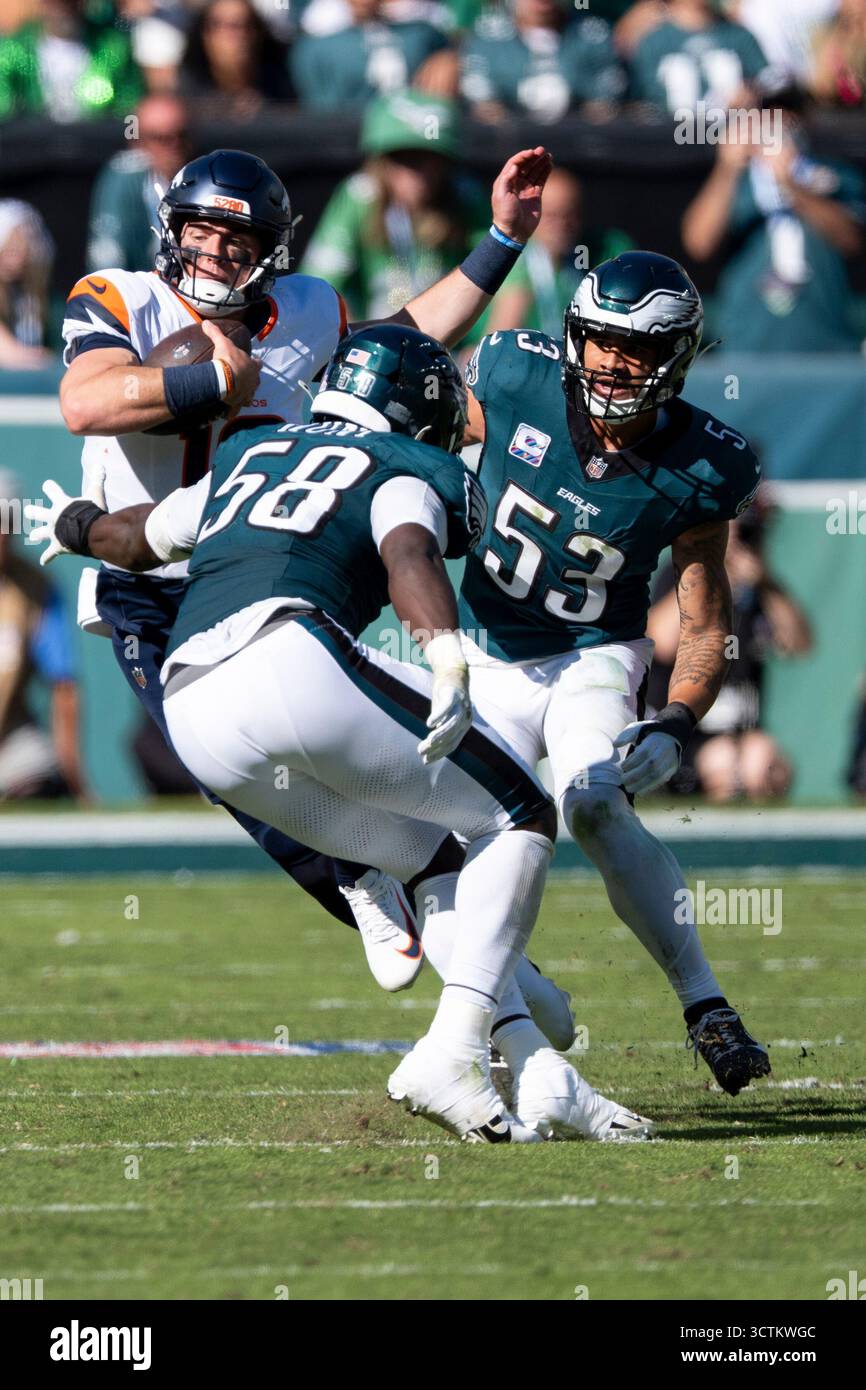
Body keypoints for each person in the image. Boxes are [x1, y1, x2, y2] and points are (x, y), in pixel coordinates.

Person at [29, 323, 654, 1145]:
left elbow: (134, 540)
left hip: (195, 712)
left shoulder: (249, 454)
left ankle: (535, 1067)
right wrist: (446, 657)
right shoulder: (402, 462)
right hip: (288, 656)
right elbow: (408, 555)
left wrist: (70, 524)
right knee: (523, 815)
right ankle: (454, 1051)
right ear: (414, 407)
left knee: (431, 861)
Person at [58, 142, 553, 990]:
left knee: (319, 752)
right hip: (146, 569)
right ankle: (360, 875)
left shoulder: (308, 310)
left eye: (239, 242)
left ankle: (445, 909)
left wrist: (501, 240)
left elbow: (408, 338)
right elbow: (85, 402)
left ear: (271, 254)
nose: (216, 254)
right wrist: (207, 384)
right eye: (202, 234)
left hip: (257, 570)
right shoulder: (119, 296)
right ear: (171, 230)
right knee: (222, 762)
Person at [457, 250, 772, 1096]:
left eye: (633, 348)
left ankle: (706, 1006)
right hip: (480, 653)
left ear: (675, 356)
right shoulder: (512, 377)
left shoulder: (704, 463)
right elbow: (414, 430)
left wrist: (676, 720)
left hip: (591, 655)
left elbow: (705, 622)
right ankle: (522, 1013)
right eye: (597, 339)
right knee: (459, 847)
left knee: (591, 800)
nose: (609, 360)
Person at [646, 493, 812, 800]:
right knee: (725, 764)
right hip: (681, 733)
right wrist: (712, 567)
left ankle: (758, 846)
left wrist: (765, 582)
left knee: (765, 763)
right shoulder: (683, 572)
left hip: (741, 730)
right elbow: (662, 641)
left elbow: (799, 645)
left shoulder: (760, 587)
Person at [681, 78, 865, 352]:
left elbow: (853, 240)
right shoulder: (734, 185)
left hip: (827, 347)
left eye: (787, 113)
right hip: (747, 346)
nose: (778, 124)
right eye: (767, 113)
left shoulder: (834, 177)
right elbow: (698, 243)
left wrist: (792, 185)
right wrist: (727, 169)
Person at [300, 93, 489, 331]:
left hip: (450, 348)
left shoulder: (466, 196)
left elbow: (512, 281)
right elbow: (319, 284)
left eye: (432, 159)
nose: (419, 174)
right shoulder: (358, 195)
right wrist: (354, 342)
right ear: (381, 162)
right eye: (404, 159)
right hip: (373, 344)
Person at [0, 468, 87, 802]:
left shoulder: (34, 590)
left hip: (9, 736)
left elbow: (63, 684)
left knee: (37, 772)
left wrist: (73, 772)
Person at [486, 167, 634, 338]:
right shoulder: (516, 260)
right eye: (551, 216)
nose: (561, 225)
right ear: (533, 214)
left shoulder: (603, 248)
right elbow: (499, 336)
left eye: (569, 215)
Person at [460, 0, 625, 124]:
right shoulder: (485, 37)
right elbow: (483, 105)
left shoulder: (594, 34)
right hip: (507, 148)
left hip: (579, 147)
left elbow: (604, 103)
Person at [86, 93, 191, 274]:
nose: (174, 145)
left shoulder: (203, 180)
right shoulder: (123, 178)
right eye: (161, 138)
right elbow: (108, 256)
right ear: (139, 141)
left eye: (181, 135)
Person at [291, 0, 453, 111]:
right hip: (343, 144)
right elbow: (320, 115)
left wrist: (448, 58)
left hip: (410, 138)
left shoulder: (422, 35)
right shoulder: (314, 48)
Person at [0, 0, 143, 121]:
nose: (63, 9)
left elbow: (129, 109)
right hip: (28, 146)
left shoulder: (113, 46)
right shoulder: (12, 50)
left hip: (98, 146)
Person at [628, 0, 767, 113]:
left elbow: (767, 89)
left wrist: (751, 95)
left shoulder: (739, 35)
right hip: (668, 140)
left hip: (730, 136)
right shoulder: (654, 42)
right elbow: (640, 104)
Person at [179, 0, 292, 120]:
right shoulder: (185, 87)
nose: (234, 35)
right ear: (205, 34)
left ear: (257, 33)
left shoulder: (285, 81)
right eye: (219, 24)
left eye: (243, 24)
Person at [0, 200, 55, 370]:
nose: (15, 260)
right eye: (7, 250)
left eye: (17, 250)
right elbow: (10, 354)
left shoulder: (46, 303)